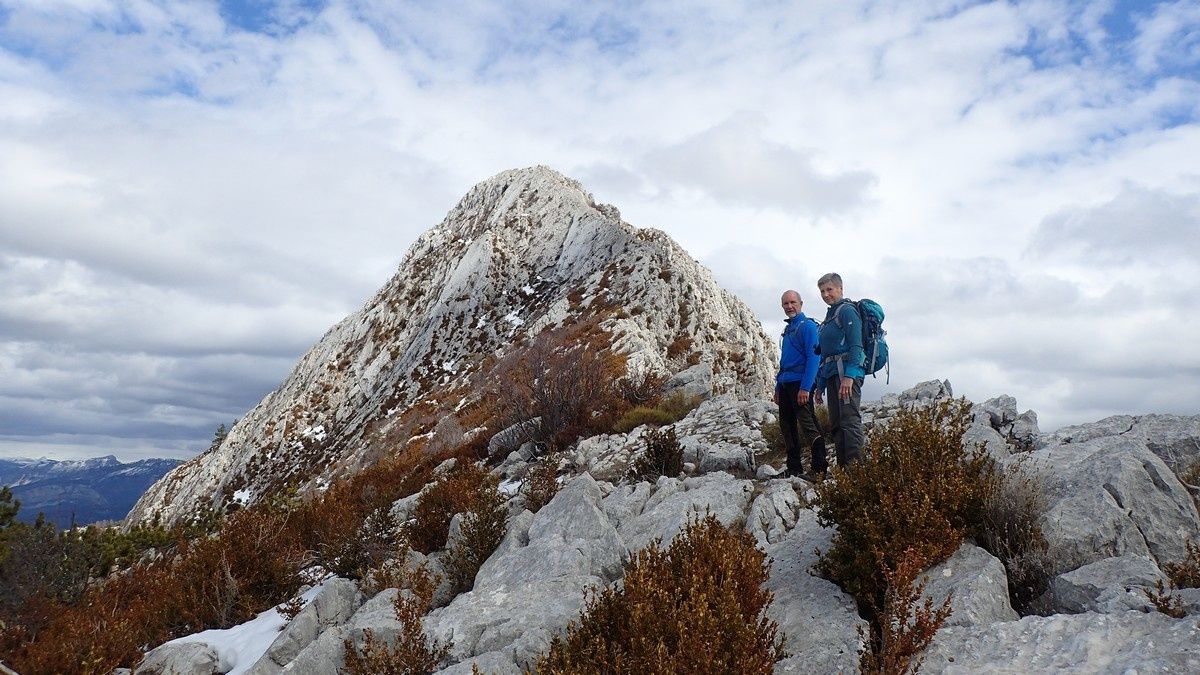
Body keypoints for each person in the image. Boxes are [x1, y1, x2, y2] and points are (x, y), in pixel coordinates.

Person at [774, 290, 828, 480]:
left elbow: (814, 357)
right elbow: (784, 361)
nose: (789, 306)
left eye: (792, 302)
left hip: (800, 383)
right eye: (785, 304)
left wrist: (806, 387)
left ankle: (820, 469)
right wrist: (777, 387)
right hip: (785, 383)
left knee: (808, 424)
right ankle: (794, 467)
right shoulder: (789, 329)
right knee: (787, 426)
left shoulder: (807, 327)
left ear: (801, 303)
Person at [815, 273, 864, 467]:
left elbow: (856, 345)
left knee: (849, 422)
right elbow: (825, 356)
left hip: (846, 375)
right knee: (836, 424)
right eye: (822, 291)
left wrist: (850, 376)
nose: (826, 294)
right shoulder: (830, 316)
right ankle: (845, 473)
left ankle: (856, 472)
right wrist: (819, 386)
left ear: (840, 289)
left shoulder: (847, 311)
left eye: (829, 289)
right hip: (832, 375)